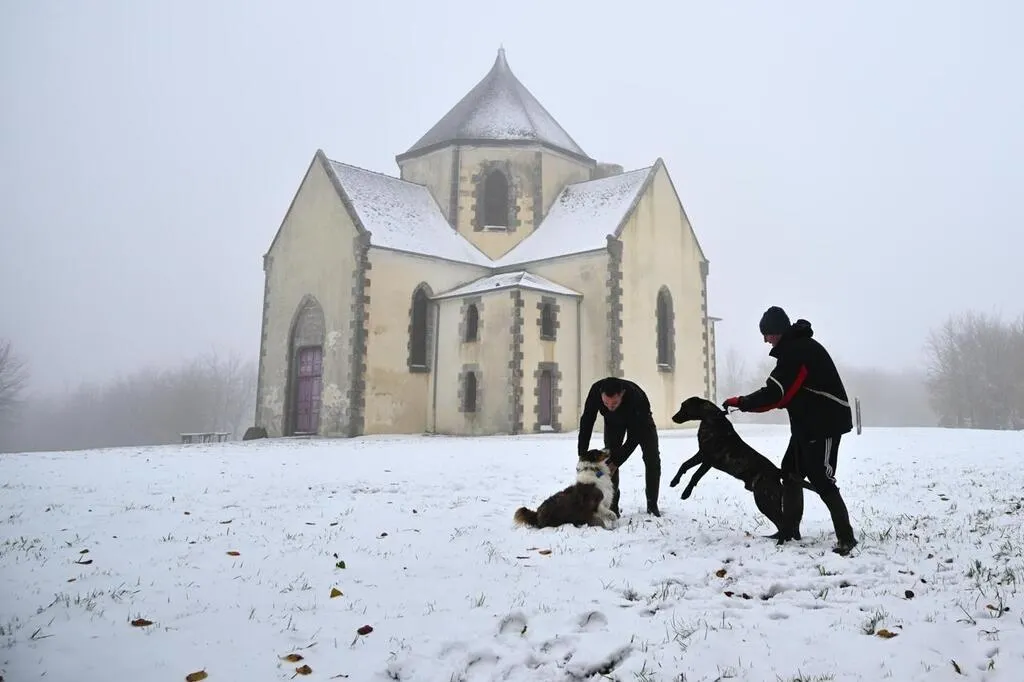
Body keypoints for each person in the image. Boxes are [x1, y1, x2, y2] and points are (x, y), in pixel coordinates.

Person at [721, 306, 858, 555]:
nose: (766, 340)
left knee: (821, 478)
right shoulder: (793, 349)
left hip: (825, 423)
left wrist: (741, 402)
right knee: (790, 471)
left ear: (777, 331)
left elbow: (777, 394)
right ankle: (790, 529)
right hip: (807, 424)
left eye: (767, 334)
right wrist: (744, 403)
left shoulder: (798, 352)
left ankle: (846, 538)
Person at [578, 377, 661, 517]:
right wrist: (582, 454)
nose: (610, 406)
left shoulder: (637, 397)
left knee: (652, 458)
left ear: (622, 394)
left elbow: (634, 437)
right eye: (606, 403)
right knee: (609, 461)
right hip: (613, 423)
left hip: (641, 423)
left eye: (614, 403)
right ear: (601, 395)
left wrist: (617, 461)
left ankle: (652, 505)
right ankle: (613, 507)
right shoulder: (595, 391)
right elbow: (587, 420)